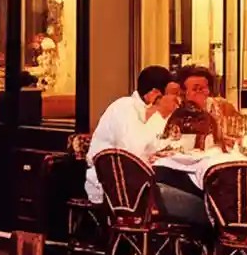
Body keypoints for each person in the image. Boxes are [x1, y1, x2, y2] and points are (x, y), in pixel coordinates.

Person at [84, 66, 207, 226]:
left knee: (200, 196)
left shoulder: (147, 114)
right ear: (155, 94)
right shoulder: (123, 108)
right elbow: (134, 152)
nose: (178, 100)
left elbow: (155, 145)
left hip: (140, 186)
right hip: (118, 192)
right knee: (202, 209)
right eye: (173, 94)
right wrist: (160, 113)